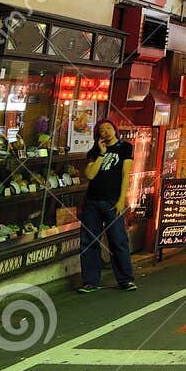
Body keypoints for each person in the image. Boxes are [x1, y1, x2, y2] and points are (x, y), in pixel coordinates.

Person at [78, 119, 135, 292]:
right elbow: (89, 174)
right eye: (102, 130)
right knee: (89, 242)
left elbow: (126, 175)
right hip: (92, 202)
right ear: (98, 135)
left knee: (118, 240)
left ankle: (126, 279)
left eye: (109, 128)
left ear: (115, 130)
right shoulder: (95, 151)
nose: (106, 132)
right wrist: (101, 154)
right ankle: (90, 281)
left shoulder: (125, 148)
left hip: (112, 202)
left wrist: (121, 200)